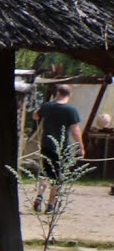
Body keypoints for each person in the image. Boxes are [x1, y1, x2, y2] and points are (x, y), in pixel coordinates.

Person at [31, 83, 85, 212]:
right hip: (61, 148)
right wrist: (81, 147)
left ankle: (39, 197)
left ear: (57, 93)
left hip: (46, 144)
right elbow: (75, 130)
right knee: (57, 176)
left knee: (45, 173)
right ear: (69, 94)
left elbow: (35, 115)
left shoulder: (47, 106)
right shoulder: (70, 110)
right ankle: (50, 205)